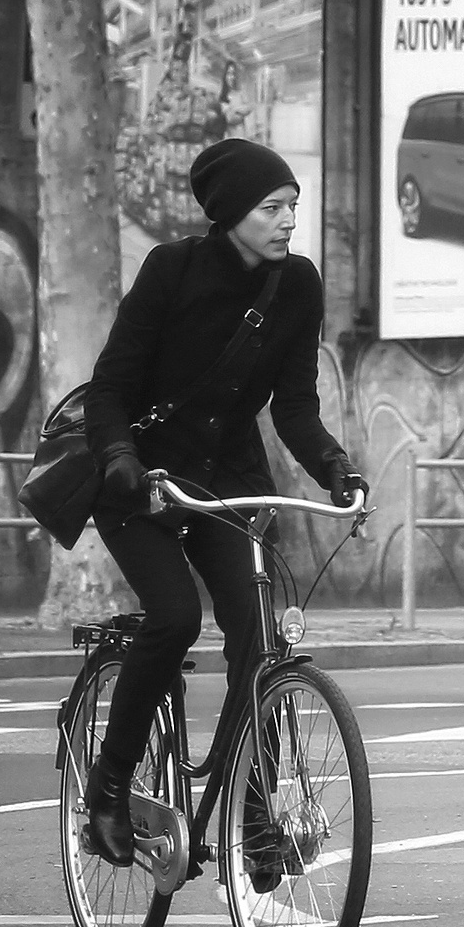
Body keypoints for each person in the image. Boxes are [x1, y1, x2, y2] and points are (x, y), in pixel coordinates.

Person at [80, 138, 367, 868]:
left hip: (224, 484)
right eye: (272, 207)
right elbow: (111, 386)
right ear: (231, 213)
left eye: (293, 207)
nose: (288, 221)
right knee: (174, 616)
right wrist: (119, 460)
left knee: (258, 639)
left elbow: (296, 410)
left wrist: (336, 469)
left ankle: (256, 814)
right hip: (139, 483)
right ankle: (109, 789)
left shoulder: (297, 286)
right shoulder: (171, 270)